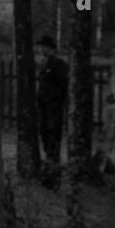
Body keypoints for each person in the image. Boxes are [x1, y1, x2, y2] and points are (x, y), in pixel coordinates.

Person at [36, 34, 68, 163]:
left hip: (54, 104)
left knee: (53, 130)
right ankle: (48, 153)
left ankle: (53, 156)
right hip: (43, 104)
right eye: (41, 47)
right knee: (43, 129)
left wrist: (54, 98)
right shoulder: (45, 64)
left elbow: (62, 84)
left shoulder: (59, 64)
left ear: (52, 49)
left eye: (45, 48)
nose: (42, 50)